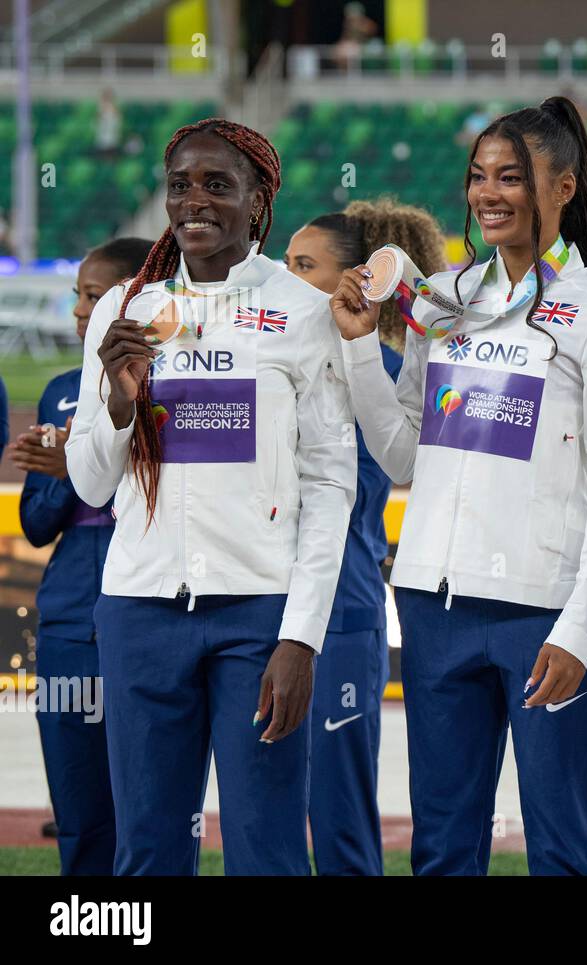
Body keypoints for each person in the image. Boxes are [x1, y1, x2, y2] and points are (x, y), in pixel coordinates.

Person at [331, 95, 587, 876]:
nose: (488, 194)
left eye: (512, 177)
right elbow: (404, 455)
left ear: (562, 189)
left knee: (564, 849)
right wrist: (357, 351)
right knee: (442, 849)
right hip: (434, 608)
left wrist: (579, 630)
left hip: (542, 614)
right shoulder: (445, 303)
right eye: (479, 177)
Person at [66, 118, 356, 876]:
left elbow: (331, 486)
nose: (194, 202)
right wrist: (122, 409)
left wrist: (301, 637)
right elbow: (92, 483)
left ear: (258, 200)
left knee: (266, 850)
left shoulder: (299, 310)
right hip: (139, 609)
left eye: (217, 185)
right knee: (149, 852)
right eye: (180, 186)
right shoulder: (123, 310)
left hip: (257, 617)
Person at [284, 198, 446, 875]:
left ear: (357, 278)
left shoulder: (372, 364)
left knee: (340, 819)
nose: (283, 279)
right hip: (269, 602)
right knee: (271, 811)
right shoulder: (273, 355)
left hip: (341, 608)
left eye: (303, 267)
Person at [9, 238, 151, 874]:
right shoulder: (62, 391)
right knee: (79, 800)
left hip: (150, 612)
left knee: (152, 802)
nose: (78, 310)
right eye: (78, 296)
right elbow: (35, 525)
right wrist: (72, 465)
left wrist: (88, 447)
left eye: (94, 297)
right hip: (69, 621)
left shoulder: (180, 378)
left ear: (135, 301)